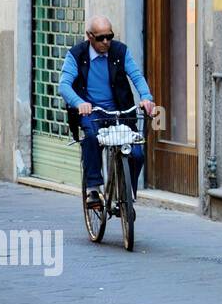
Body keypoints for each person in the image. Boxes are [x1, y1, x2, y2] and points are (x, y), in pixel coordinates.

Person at [58, 16, 156, 209]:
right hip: (92, 111)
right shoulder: (76, 55)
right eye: (101, 38)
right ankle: (93, 189)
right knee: (92, 138)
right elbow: (64, 85)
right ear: (89, 36)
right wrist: (79, 102)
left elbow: (136, 75)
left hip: (120, 110)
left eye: (109, 36)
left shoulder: (120, 51)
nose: (106, 42)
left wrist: (146, 97)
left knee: (136, 154)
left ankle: (127, 195)